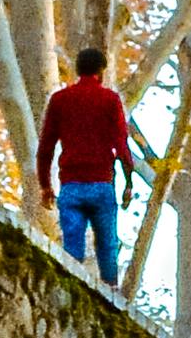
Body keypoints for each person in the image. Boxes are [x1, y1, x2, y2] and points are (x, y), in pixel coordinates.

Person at [36, 42, 137, 293]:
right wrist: (128, 182)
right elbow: (121, 144)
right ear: (101, 71)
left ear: (77, 70)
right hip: (102, 185)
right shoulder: (110, 100)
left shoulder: (60, 100)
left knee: (72, 245)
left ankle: (70, 291)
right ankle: (112, 293)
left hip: (71, 186)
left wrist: (45, 185)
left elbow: (46, 146)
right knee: (107, 245)